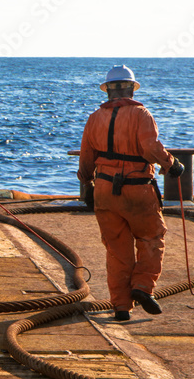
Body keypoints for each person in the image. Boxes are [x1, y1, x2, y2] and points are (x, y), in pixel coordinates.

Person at [78, 65, 184, 322]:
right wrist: (172, 165)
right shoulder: (141, 114)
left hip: (104, 190)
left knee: (116, 250)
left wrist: (88, 186)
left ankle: (121, 307)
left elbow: (86, 159)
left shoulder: (94, 118)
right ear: (131, 89)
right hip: (137, 189)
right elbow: (150, 148)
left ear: (108, 90)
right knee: (151, 238)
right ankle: (142, 286)